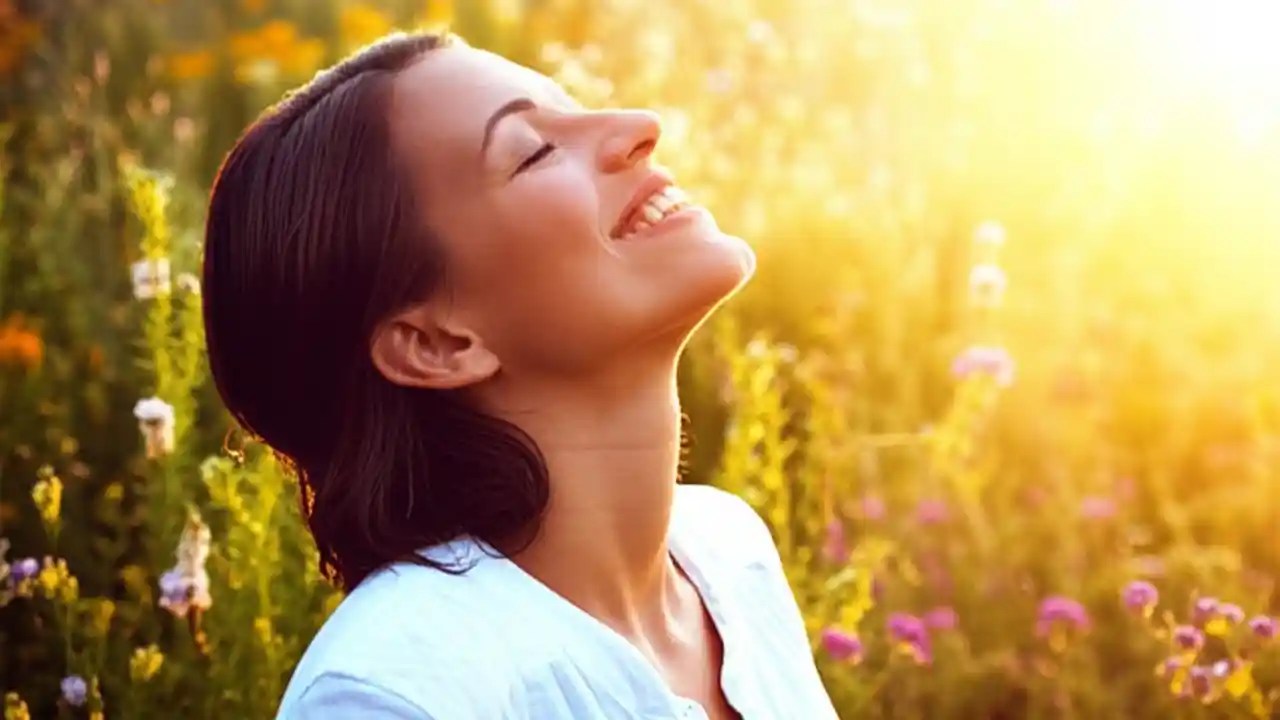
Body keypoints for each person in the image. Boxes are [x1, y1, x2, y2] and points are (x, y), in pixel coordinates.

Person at [201, 29, 837, 720]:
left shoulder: (727, 558)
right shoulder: (395, 692)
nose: (639, 128)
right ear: (435, 342)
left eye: (575, 107)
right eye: (533, 151)